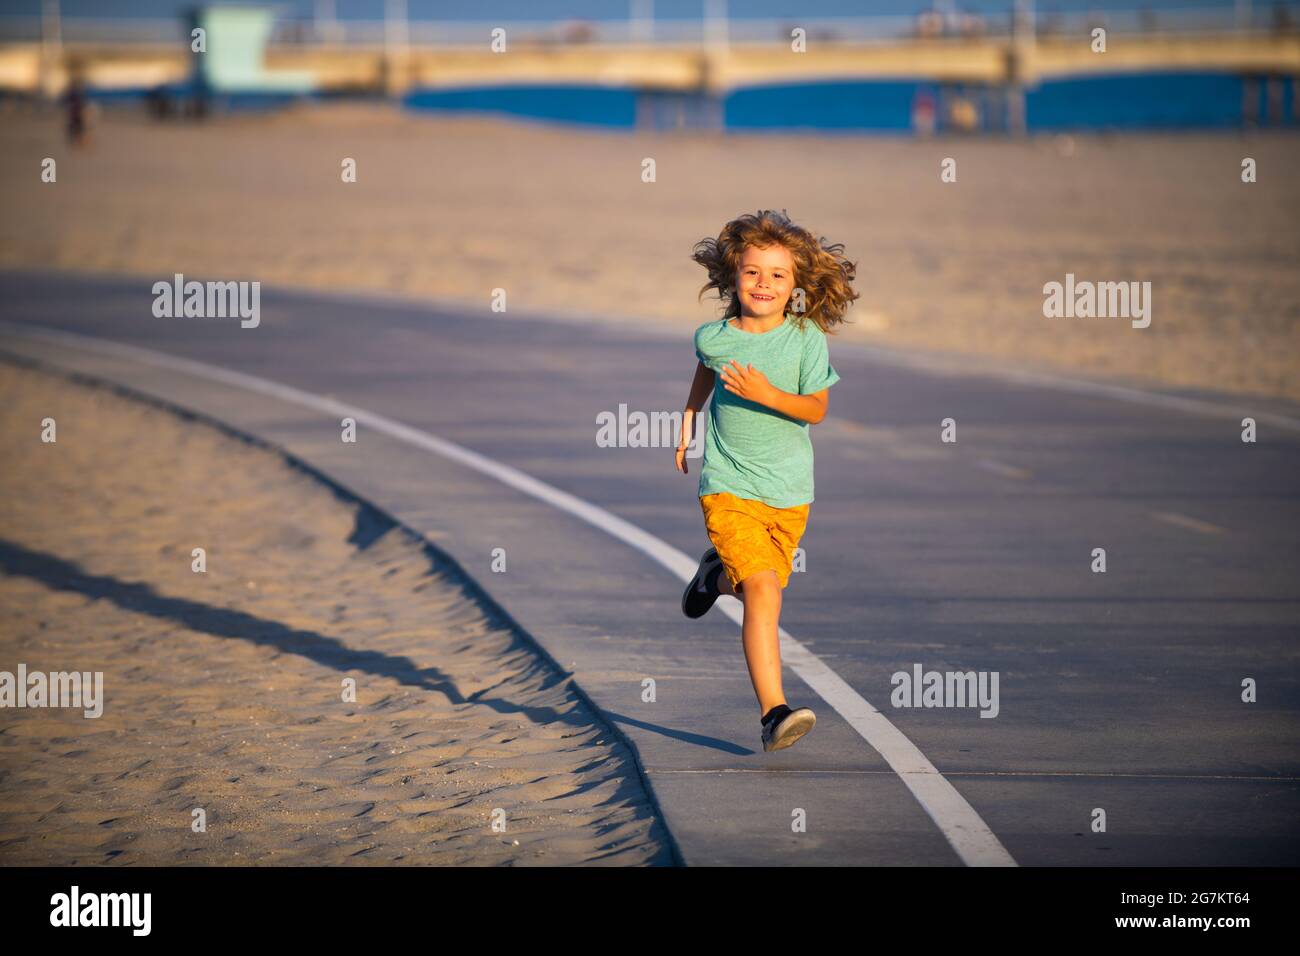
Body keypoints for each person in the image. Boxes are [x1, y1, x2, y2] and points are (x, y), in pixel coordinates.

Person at [675, 209, 857, 752]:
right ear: (734, 275)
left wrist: (766, 395)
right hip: (728, 484)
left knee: (762, 588)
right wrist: (688, 417)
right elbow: (707, 364)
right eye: (753, 272)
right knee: (764, 592)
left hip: (789, 493)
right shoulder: (714, 335)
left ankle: (714, 578)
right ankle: (774, 712)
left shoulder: (805, 340)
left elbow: (816, 409)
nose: (764, 284)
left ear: (796, 285)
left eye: (778, 276)